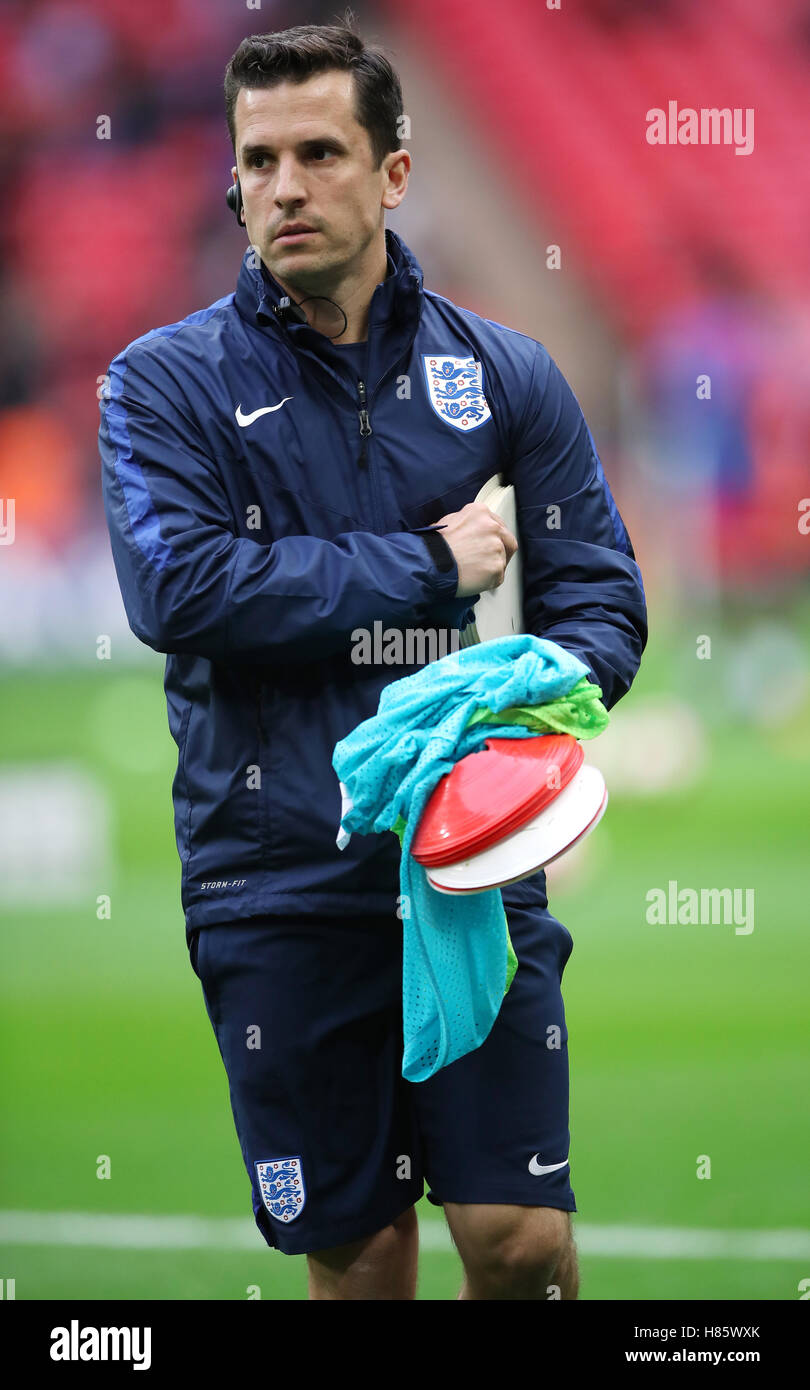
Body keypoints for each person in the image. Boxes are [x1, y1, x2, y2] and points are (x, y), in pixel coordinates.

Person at [99, 17, 647, 1300]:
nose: (283, 186)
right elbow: (180, 589)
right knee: (361, 1262)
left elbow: (601, 604)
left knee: (520, 1238)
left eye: (320, 153)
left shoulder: (504, 371)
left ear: (394, 173)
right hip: (273, 877)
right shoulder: (161, 385)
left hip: (465, 862)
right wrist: (426, 564)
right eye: (258, 158)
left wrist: (520, 706)